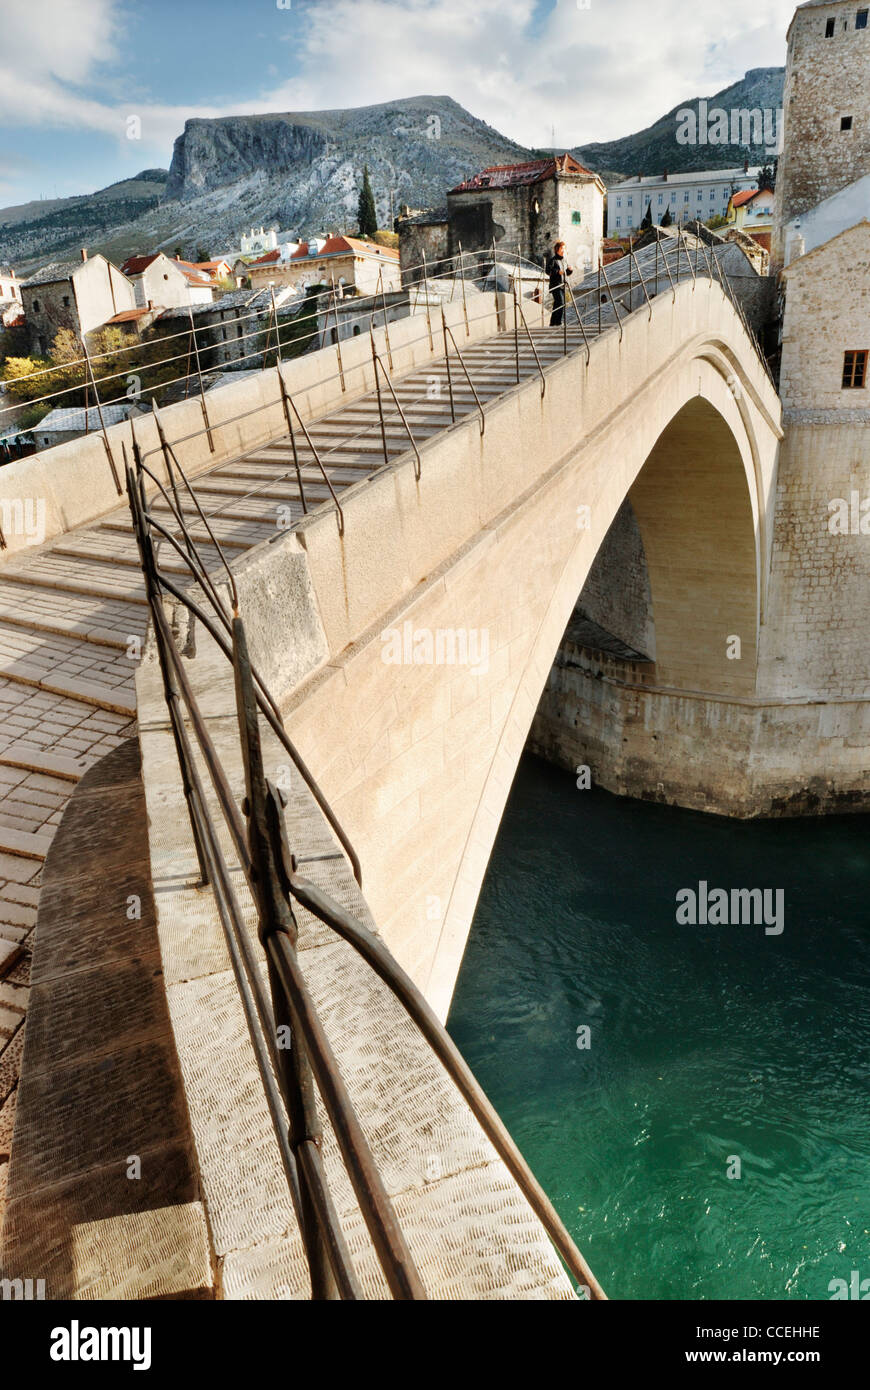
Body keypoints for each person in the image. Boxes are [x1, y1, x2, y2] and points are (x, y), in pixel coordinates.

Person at [546, 240, 573, 326]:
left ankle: (552, 322)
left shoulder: (564, 260)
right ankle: (558, 322)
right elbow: (548, 271)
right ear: (557, 249)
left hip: (563, 285)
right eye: (562, 248)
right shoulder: (553, 260)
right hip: (556, 285)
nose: (563, 250)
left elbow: (566, 273)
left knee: (558, 304)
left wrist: (570, 270)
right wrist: (557, 272)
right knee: (561, 302)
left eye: (564, 248)